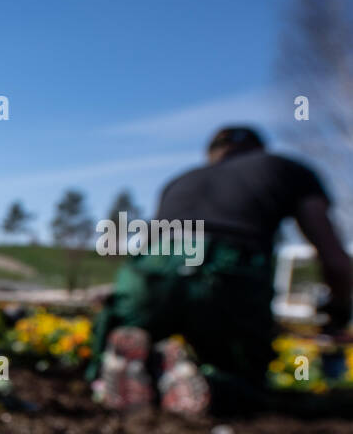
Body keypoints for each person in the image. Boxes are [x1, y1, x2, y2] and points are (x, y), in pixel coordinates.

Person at [89, 126, 352, 415]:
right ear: (259, 150)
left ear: (213, 154)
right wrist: (339, 310)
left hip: (152, 269)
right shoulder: (288, 169)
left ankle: (134, 365)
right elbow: (334, 259)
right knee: (241, 378)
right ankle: (207, 383)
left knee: (136, 324)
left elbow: (144, 249)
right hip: (228, 268)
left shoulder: (180, 180)